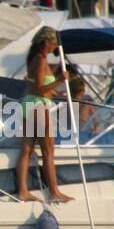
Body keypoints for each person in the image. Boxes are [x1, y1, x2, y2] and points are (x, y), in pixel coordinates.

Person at [16, 28, 72, 203]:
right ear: (46, 43)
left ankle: (23, 191)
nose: (55, 47)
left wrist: (54, 93)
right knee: (48, 152)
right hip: (38, 107)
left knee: (27, 150)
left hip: (30, 103)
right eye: (53, 44)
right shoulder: (40, 60)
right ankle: (54, 191)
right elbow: (40, 88)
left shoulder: (36, 59)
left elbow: (35, 87)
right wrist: (60, 80)